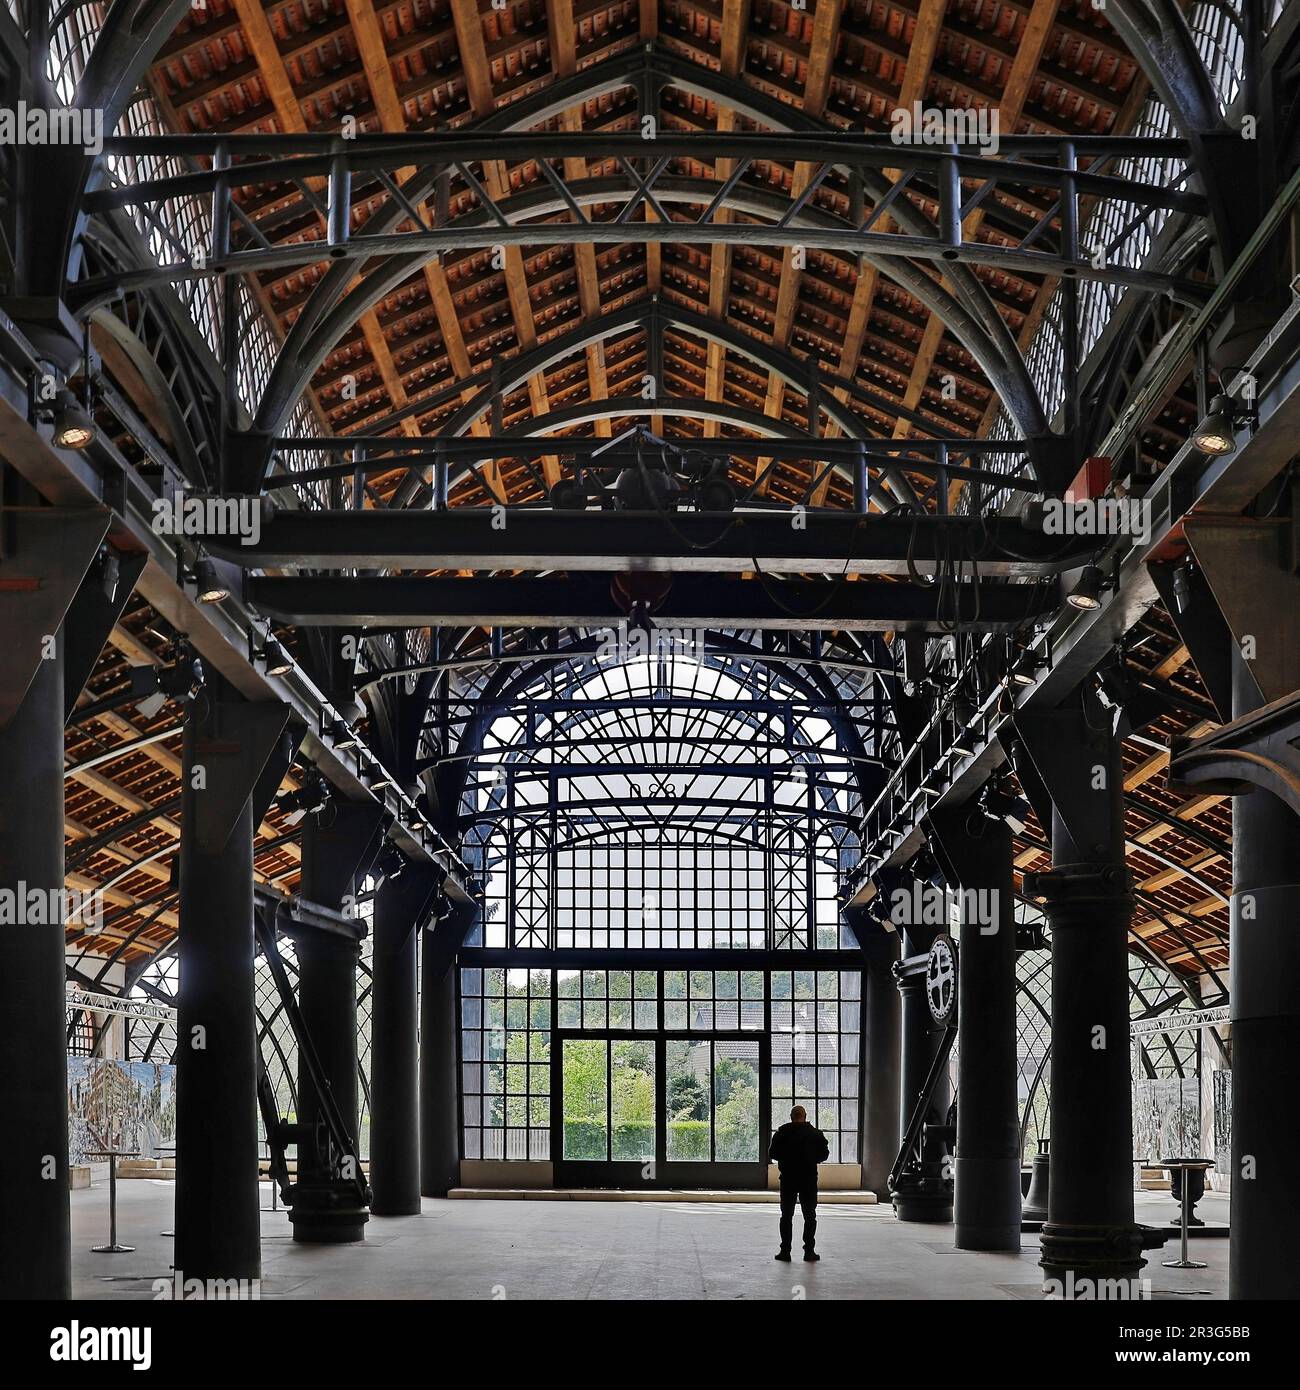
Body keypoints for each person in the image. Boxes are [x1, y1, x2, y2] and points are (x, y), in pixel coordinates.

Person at [768, 1104, 830, 1262]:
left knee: (786, 1215)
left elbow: (772, 1153)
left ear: (791, 1116)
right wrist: (811, 1159)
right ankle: (809, 1251)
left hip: (788, 1178)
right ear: (805, 1116)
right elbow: (824, 1154)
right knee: (810, 1216)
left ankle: (785, 1251)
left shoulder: (782, 1133)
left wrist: (786, 1158)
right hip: (808, 1178)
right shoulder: (815, 1134)